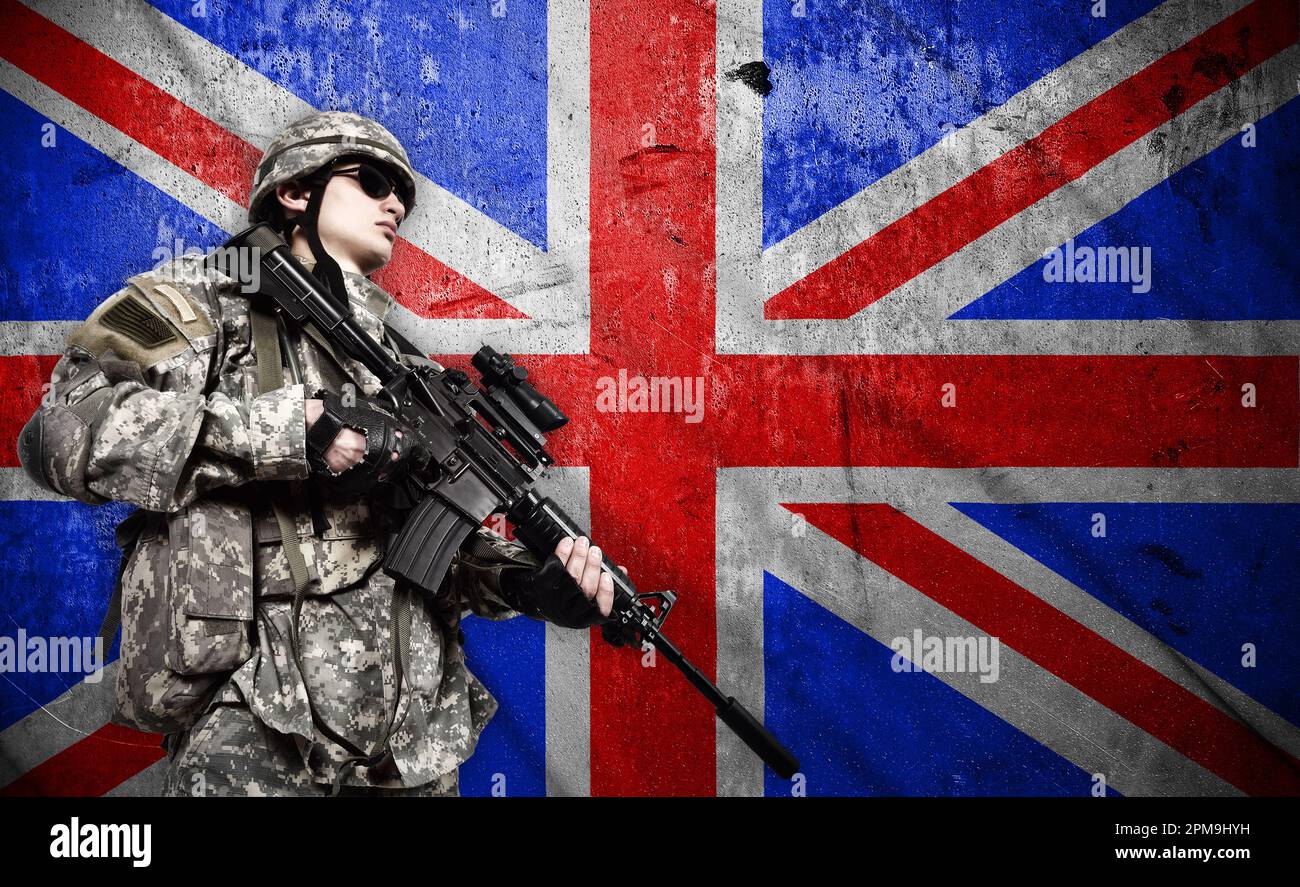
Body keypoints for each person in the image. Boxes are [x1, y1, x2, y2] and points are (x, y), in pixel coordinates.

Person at [18, 110, 616, 796]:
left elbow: (424, 552)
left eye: (402, 195)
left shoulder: (404, 369)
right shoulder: (201, 298)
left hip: (411, 753)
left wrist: (522, 584)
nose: (396, 203)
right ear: (296, 192)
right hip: (257, 737)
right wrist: (282, 432)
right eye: (373, 181)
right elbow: (58, 433)